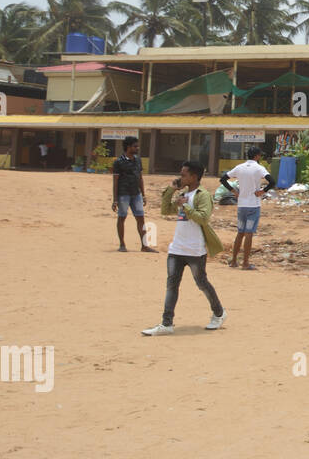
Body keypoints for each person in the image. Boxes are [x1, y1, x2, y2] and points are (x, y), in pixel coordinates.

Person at [141, 160, 226, 335]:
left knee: (201, 283)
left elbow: (203, 218)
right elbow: (165, 210)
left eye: (183, 175)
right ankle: (166, 324)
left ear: (194, 177)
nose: (180, 177)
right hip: (177, 249)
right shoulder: (184, 194)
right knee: (171, 285)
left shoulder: (203, 195)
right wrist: (172, 189)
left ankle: (219, 313)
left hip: (195, 250)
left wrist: (185, 206)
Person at [221, 145, 274, 270]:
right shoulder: (259, 168)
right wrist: (263, 191)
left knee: (240, 233)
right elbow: (272, 181)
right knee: (249, 233)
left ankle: (234, 261)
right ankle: (245, 263)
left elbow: (223, 179)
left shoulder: (239, 167)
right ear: (257, 156)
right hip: (253, 205)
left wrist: (234, 191)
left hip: (241, 205)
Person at [112, 136, 154, 253]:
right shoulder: (118, 162)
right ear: (128, 147)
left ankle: (144, 246)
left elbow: (140, 178)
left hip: (136, 194)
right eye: (135, 146)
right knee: (122, 218)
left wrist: (143, 194)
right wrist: (115, 199)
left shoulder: (138, 160)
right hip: (123, 194)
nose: (137, 148)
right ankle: (122, 244)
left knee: (141, 219)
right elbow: (115, 181)